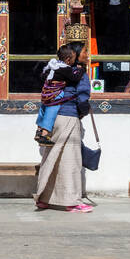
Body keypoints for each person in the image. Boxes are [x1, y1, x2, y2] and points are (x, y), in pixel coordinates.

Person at [34, 42, 94, 212]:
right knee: (71, 160)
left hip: (52, 117)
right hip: (69, 117)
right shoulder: (78, 73)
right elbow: (82, 98)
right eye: (84, 52)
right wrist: (82, 113)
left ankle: (44, 198)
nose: (87, 55)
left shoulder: (56, 71)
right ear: (74, 55)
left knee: (51, 157)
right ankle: (72, 201)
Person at [34, 44, 79, 146]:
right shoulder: (65, 69)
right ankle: (44, 136)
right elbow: (74, 78)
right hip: (55, 95)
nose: (74, 62)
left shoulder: (53, 65)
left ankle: (38, 131)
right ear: (68, 60)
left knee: (43, 109)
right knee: (51, 112)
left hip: (46, 93)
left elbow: (43, 76)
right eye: (73, 59)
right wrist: (80, 70)